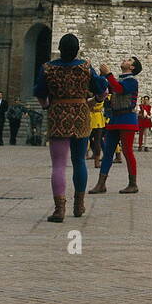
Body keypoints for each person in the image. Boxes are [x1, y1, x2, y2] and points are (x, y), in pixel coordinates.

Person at [35, 33, 107, 223]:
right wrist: (93, 101)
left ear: (60, 49)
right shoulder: (85, 67)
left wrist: (47, 106)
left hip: (58, 114)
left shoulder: (48, 68)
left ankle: (59, 209)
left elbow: (40, 93)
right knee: (79, 161)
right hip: (80, 115)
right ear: (77, 51)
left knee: (58, 164)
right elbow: (102, 89)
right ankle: (79, 204)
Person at [90, 57, 143, 194]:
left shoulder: (132, 81)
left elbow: (119, 89)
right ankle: (101, 184)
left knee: (127, 151)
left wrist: (108, 74)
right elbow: (103, 87)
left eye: (129, 60)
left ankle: (133, 183)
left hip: (127, 119)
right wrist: (92, 71)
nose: (125, 60)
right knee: (108, 151)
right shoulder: (117, 80)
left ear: (132, 67)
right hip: (115, 118)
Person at [88, 89, 106, 167]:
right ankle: (95, 156)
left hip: (95, 118)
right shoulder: (100, 96)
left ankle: (97, 160)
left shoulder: (98, 96)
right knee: (92, 139)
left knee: (97, 140)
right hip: (95, 117)